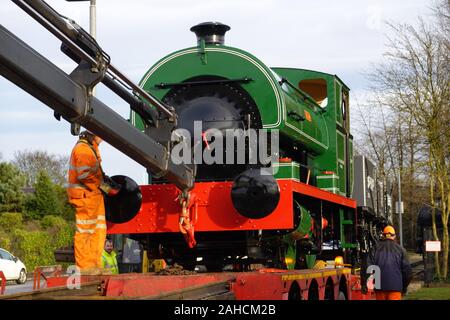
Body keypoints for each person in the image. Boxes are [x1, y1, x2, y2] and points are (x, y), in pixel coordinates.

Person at [67, 130, 120, 274]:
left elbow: (94, 175)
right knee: (86, 233)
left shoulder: (90, 149)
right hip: (86, 198)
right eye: (100, 134)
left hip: (92, 198)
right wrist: (106, 188)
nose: (102, 138)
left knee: (97, 234)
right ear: (92, 134)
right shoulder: (83, 150)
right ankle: (85, 268)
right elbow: (86, 175)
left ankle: (94, 267)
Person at [369, 225, 412, 300]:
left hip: (379, 287)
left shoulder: (374, 249)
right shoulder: (401, 250)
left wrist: (365, 284)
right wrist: (404, 286)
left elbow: (368, 266)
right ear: (394, 236)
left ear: (383, 236)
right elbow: (407, 271)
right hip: (395, 288)